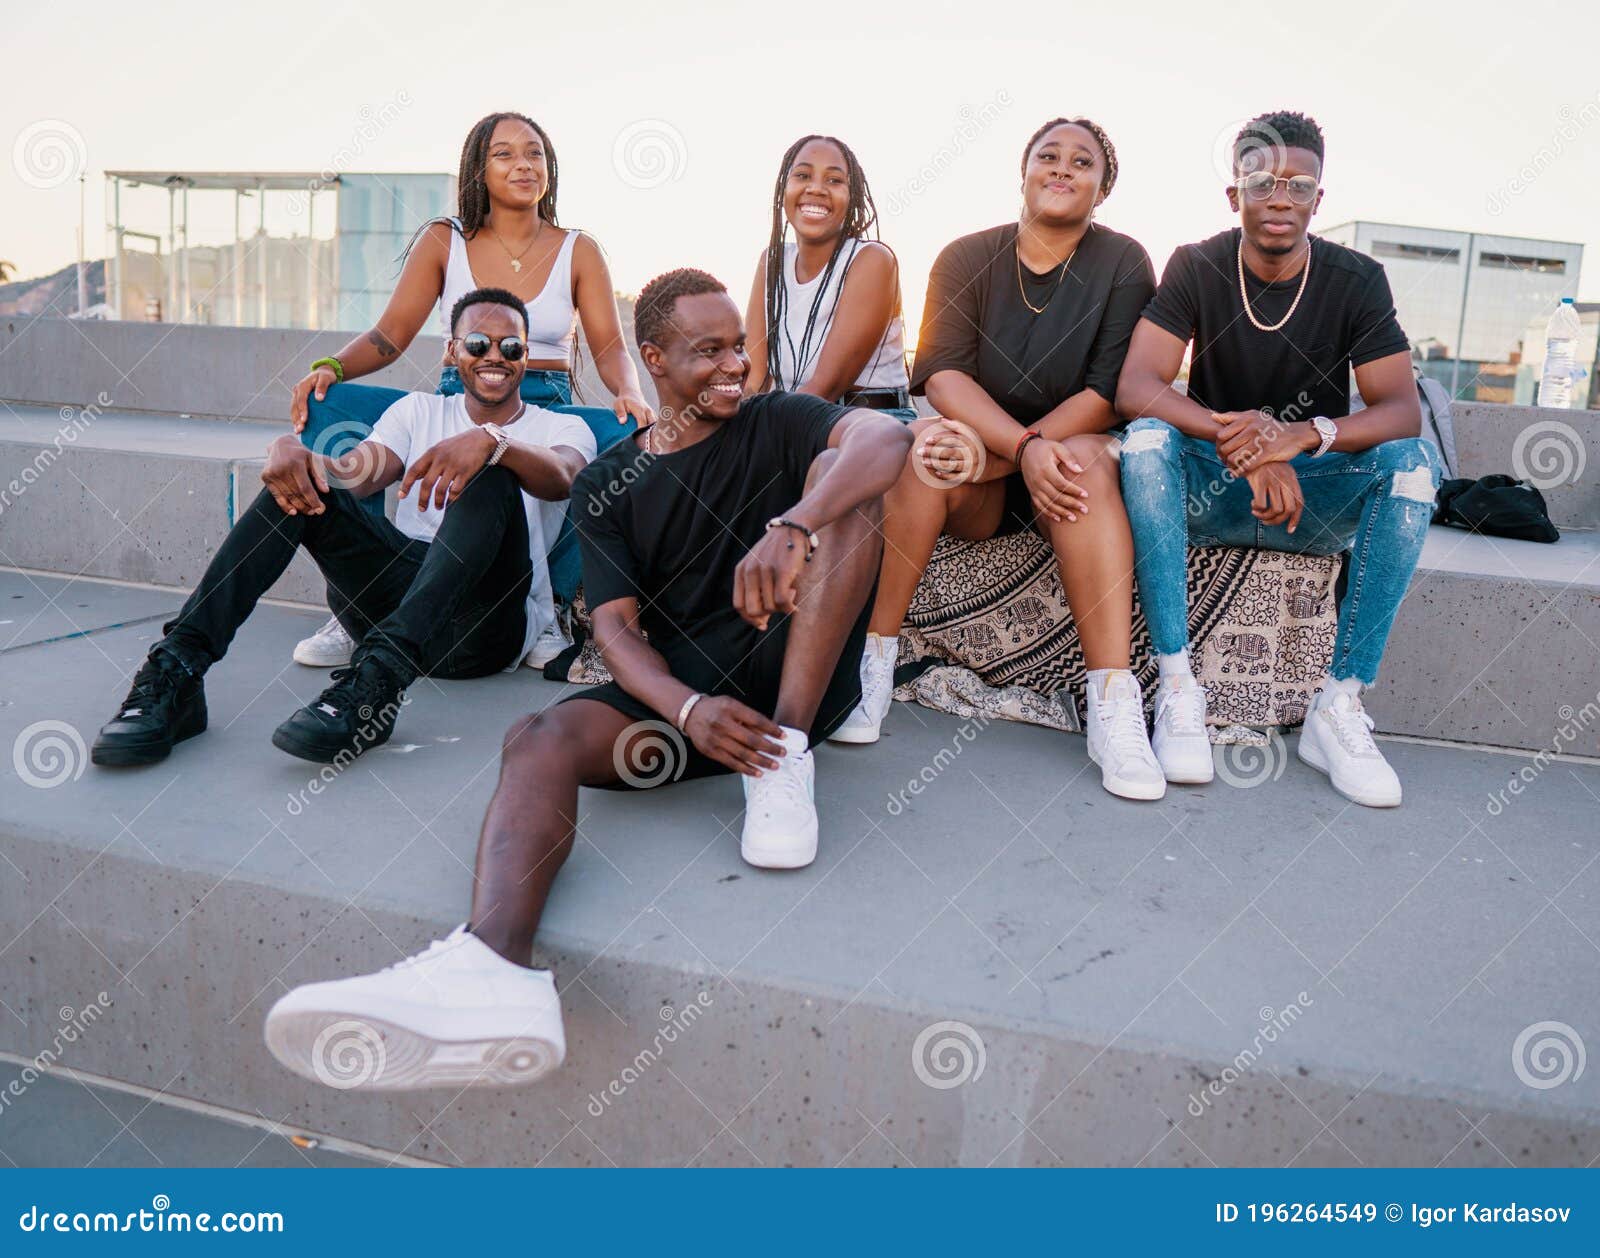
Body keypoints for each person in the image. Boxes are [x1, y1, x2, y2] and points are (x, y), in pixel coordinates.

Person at [263, 268, 912, 1091]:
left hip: (794, 677)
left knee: (850, 492)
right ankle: (494, 965)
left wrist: (794, 523)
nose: (733, 367)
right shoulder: (611, 480)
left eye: (738, 348)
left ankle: (783, 757)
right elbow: (612, 627)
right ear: (655, 358)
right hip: (689, 705)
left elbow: (888, 442)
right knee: (538, 736)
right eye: (706, 351)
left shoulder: (778, 421)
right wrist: (688, 708)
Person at [91, 288, 596, 769]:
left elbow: (566, 478)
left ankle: (376, 686)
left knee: (492, 479)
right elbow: (359, 473)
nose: (495, 356)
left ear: (526, 356)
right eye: (477, 343)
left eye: (510, 346)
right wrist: (301, 456)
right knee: (294, 489)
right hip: (398, 596)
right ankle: (177, 672)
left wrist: (493, 445)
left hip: (485, 624)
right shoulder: (418, 411)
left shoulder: (560, 428)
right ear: (452, 352)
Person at [830, 117, 1167, 801]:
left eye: (1084, 163)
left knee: (1082, 462)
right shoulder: (965, 255)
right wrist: (1018, 449)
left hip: (1068, 454)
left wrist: (1036, 451)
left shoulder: (1125, 261)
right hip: (983, 459)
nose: (1063, 169)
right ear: (1023, 171)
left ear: (1102, 189)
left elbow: (1108, 392)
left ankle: (1111, 701)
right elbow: (945, 375)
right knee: (926, 450)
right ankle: (872, 661)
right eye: (1049, 155)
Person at [1115, 110, 1440, 808]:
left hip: (1311, 496)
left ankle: (1339, 704)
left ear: (1319, 199)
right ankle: (1177, 688)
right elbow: (1137, 385)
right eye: (1262, 182)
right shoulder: (1197, 263)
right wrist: (1246, 442)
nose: (1280, 200)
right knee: (1145, 441)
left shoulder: (1357, 279)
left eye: (1299, 186)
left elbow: (1399, 411)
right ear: (1234, 194)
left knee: (1411, 464)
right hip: (1210, 486)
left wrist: (1300, 437)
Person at [287, 111, 651, 669]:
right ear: (478, 170)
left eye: (534, 153)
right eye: (504, 153)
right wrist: (332, 365)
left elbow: (609, 348)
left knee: (628, 442)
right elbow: (391, 334)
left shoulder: (579, 249)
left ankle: (550, 603)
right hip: (457, 398)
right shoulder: (444, 239)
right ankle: (361, 599)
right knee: (325, 403)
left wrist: (629, 392)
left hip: (543, 404)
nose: (523, 164)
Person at [743, 134, 913, 421]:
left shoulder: (871, 260)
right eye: (802, 175)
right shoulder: (771, 260)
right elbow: (754, 379)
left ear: (853, 197)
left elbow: (826, 386)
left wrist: (761, 435)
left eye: (834, 180)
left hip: (869, 421)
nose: (816, 188)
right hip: (789, 418)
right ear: (784, 189)